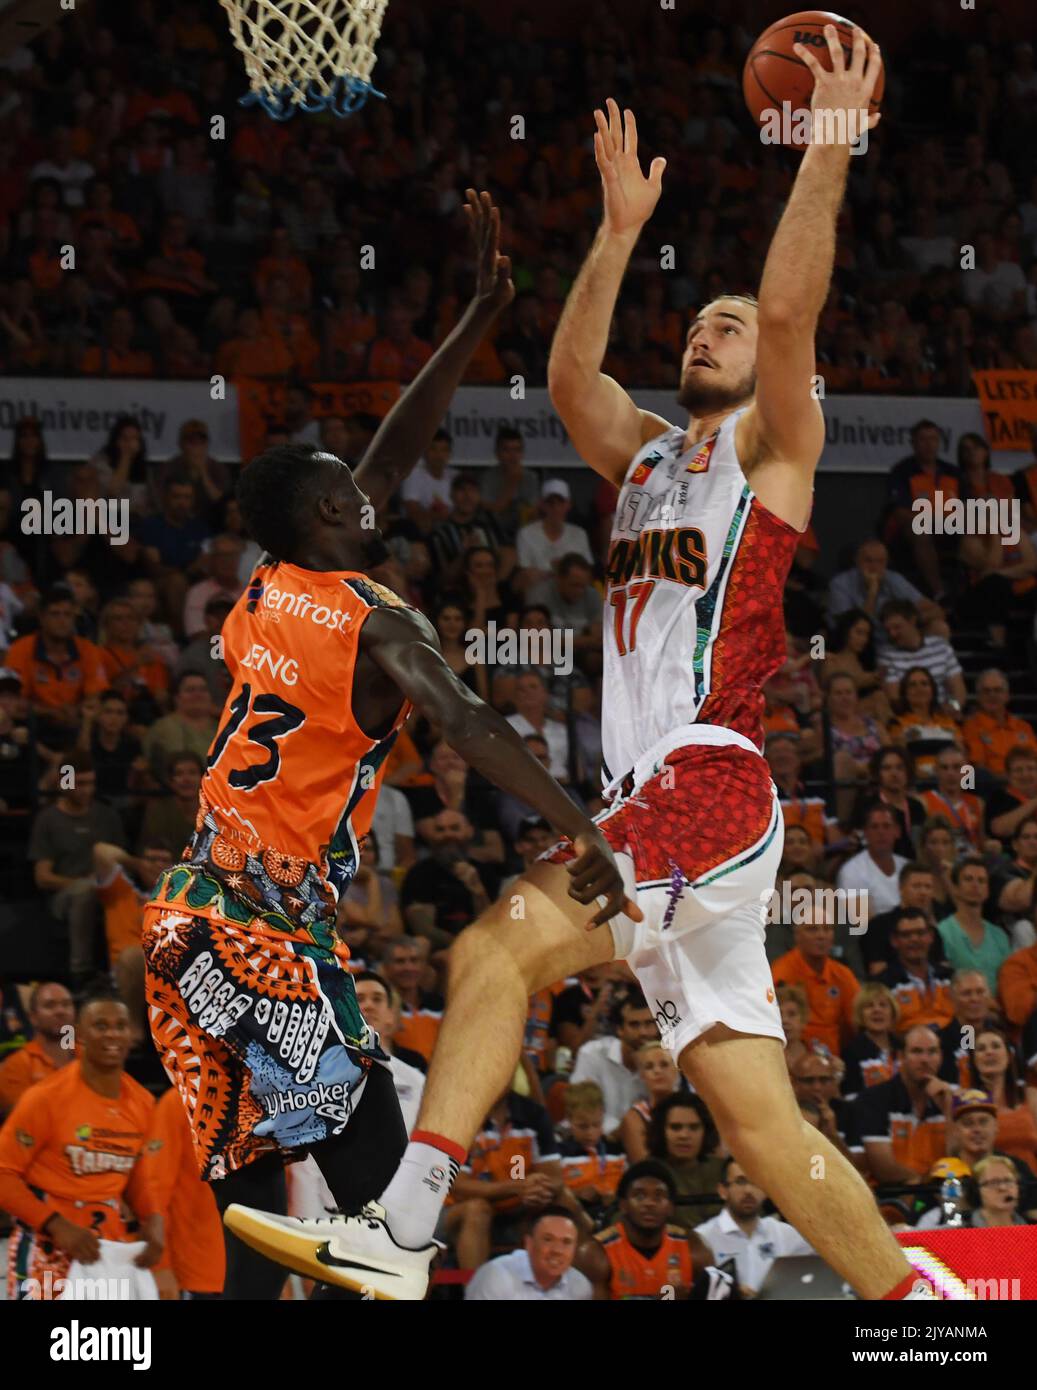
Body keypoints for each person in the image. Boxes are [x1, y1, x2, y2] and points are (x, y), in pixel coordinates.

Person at [233, 61, 927, 1304]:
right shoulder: (651, 457)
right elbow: (566, 383)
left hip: (705, 777)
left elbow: (783, 319)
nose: (706, 332)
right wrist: (612, 238)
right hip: (666, 801)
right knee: (759, 1124)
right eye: (696, 323)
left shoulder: (769, 447)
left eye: (722, 321)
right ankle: (919, 1312)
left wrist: (825, 148)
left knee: (489, 953)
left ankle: (400, 1228)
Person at [147, 193, 627, 1301]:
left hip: (182, 922)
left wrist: (472, 318)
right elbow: (463, 720)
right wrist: (577, 826)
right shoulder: (377, 619)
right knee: (380, 1214)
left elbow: (383, 454)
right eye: (351, 492)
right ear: (330, 513)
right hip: (259, 937)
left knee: (255, 1202)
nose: (374, 492)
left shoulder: (264, 584)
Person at [0, 993, 163, 1300]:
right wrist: (55, 1224)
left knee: (105, 1347)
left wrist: (153, 1220)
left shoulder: (142, 1102)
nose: (112, 1034)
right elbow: (3, 1175)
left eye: (120, 1026)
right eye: (100, 1026)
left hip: (104, 1249)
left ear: (133, 1035)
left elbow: (139, 1176)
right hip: (46, 1246)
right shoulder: (45, 1098)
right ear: (79, 1034)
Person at [574, 1160, 739, 1300]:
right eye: (639, 1196)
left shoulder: (694, 1248)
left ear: (671, 1207)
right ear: (623, 1205)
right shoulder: (595, 1253)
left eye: (659, 1196)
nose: (649, 1203)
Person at [694, 1157, 813, 1295]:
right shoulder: (703, 1238)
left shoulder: (786, 1234)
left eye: (756, 1182)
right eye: (740, 1181)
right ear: (723, 1191)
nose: (749, 1190)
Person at [848, 1024, 949, 1183]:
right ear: (901, 1057)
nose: (925, 1059)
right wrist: (925, 1183)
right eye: (916, 1051)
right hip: (894, 1199)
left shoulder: (947, 1097)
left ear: (941, 1057)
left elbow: (961, 1155)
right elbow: (885, 1169)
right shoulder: (873, 1099)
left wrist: (948, 1108)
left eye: (932, 1052)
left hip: (943, 1194)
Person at [569, 988, 656, 1133]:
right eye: (634, 1025)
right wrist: (627, 1131)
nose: (643, 1032)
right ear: (619, 1029)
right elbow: (581, 1109)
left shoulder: (666, 1061)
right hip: (599, 1140)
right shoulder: (592, 1054)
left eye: (649, 1024)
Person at [771, 915, 860, 1057]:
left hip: (836, 1061)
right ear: (797, 935)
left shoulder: (843, 975)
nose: (821, 936)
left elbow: (857, 1022)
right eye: (812, 929)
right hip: (792, 1058)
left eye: (827, 929)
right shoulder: (780, 973)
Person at [464, 1206, 593, 1300]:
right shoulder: (496, 1276)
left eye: (566, 1242)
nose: (557, 1250)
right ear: (529, 1244)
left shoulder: (580, 1287)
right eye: (548, 1239)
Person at [646, 1091, 726, 1226]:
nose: (684, 1135)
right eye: (675, 1127)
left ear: (706, 1131)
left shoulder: (723, 1170)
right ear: (661, 1131)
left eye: (694, 1128)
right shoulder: (646, 1173)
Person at [936, 858, 1012, 994]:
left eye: (981, 881)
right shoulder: (942, 932)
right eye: (968, 879)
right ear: (955, 888)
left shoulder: (999, 936)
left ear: (987, 891)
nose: (975, 885)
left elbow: (1007, 981)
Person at [0, 982, 75, 1117]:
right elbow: (25, 1121)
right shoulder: (16, 1066)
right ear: (33, 1018)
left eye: (66, 1004)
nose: (60, 1011)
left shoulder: (90, 1056)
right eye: (50, 1005)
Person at [557, 1081, 627, 1224]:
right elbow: (554, 1193)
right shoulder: (561, 1154)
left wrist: (616, 1196)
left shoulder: (616, 1151)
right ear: (569, 1120)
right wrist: (576, 1194)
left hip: (615, 1215)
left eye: (596, 1125)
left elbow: (629, 1187)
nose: (591, 1133)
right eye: (583, 1126)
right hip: (576, 1218)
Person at [877, 908, 955, 1035]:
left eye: (920, 933)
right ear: (894, 941)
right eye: (906, 935)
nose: (914, 939)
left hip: (956, 1049)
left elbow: (969, 1020)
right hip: (908, 1050)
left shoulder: (951, 978)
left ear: (931, 936)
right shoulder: (882, 985)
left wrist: (967, 1049)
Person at [836, 804, 908, 920]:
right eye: (874, 827)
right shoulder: (851, 872)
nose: (881, 832)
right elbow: (863, 923)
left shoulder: (907, 867)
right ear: (865, 833)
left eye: (886, 826)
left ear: (897, 831)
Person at [961, 669, 1037, 779]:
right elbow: (979, 768)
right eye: (986, 691)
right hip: (996, 788)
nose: (992, 695)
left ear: (1007, 696)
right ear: (978, 697)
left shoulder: (1023, 726)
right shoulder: (971, 727)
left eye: (997, 690)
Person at [618, 1040, 680, 1161]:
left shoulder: (695, 1108)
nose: (657, 1071)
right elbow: (643, 1163)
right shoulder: (633, 1117)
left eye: (664, 1064)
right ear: (641, 1075)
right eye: (649, 1067)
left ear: (677, 1069)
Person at [842, 983, 899, 1100]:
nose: (877, 1010)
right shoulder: (851, 1052)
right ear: (860, 1014)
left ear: (892, 1013)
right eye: (869, 1006)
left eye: (883, 1005)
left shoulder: (904, 1047)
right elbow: (851, 1097)